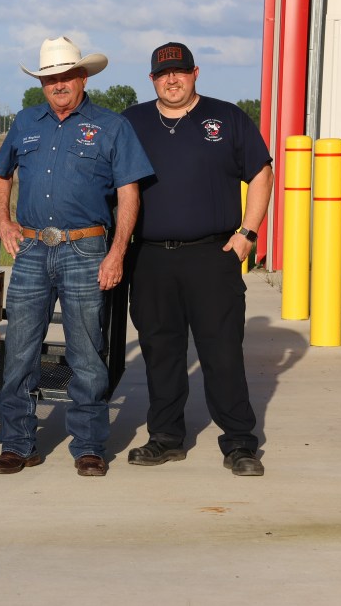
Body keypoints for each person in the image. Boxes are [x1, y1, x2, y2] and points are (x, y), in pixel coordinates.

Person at [0, 37, 154, 476]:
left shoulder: (111, 126)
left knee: (87, 354)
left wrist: (117, 252)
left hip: (86, 249)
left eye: (66, 76)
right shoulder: (26, 121)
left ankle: (89, 446)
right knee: (19, 351)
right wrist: (3, 222)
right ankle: (17, 444)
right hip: (30, 249)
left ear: (83, 77)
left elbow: (129, 193)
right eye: (50, 79)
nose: (58, 85)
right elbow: (1, 173)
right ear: (42, 84)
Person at [121, 42, 274, 476]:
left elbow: (261, 172)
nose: (172, 80)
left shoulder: (227, 118)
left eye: (180, 71)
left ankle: (240, 442)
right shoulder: (131, 122)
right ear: (152, 79)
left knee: (222, 352)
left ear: (195, 73)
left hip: (212, 256)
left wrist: (248, 233)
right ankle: (166, 438)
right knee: (161, 352)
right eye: (163, 74)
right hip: (151, 259)